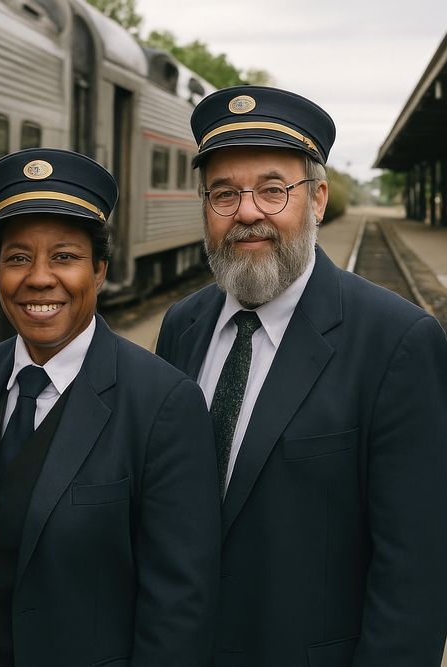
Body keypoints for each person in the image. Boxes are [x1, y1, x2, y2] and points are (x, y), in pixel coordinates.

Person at [156, 85, 447, 665]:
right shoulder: (182, 328)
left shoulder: (398, 343)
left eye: (272, 190)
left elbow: (415, 574)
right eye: (224, 194)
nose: (247, 212)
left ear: (316, 200)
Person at [0, 148, 220, 666]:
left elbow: (179, 606)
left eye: (65, 257)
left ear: (99, 270)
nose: (39, 278)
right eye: (17, 257)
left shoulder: (163, 404)